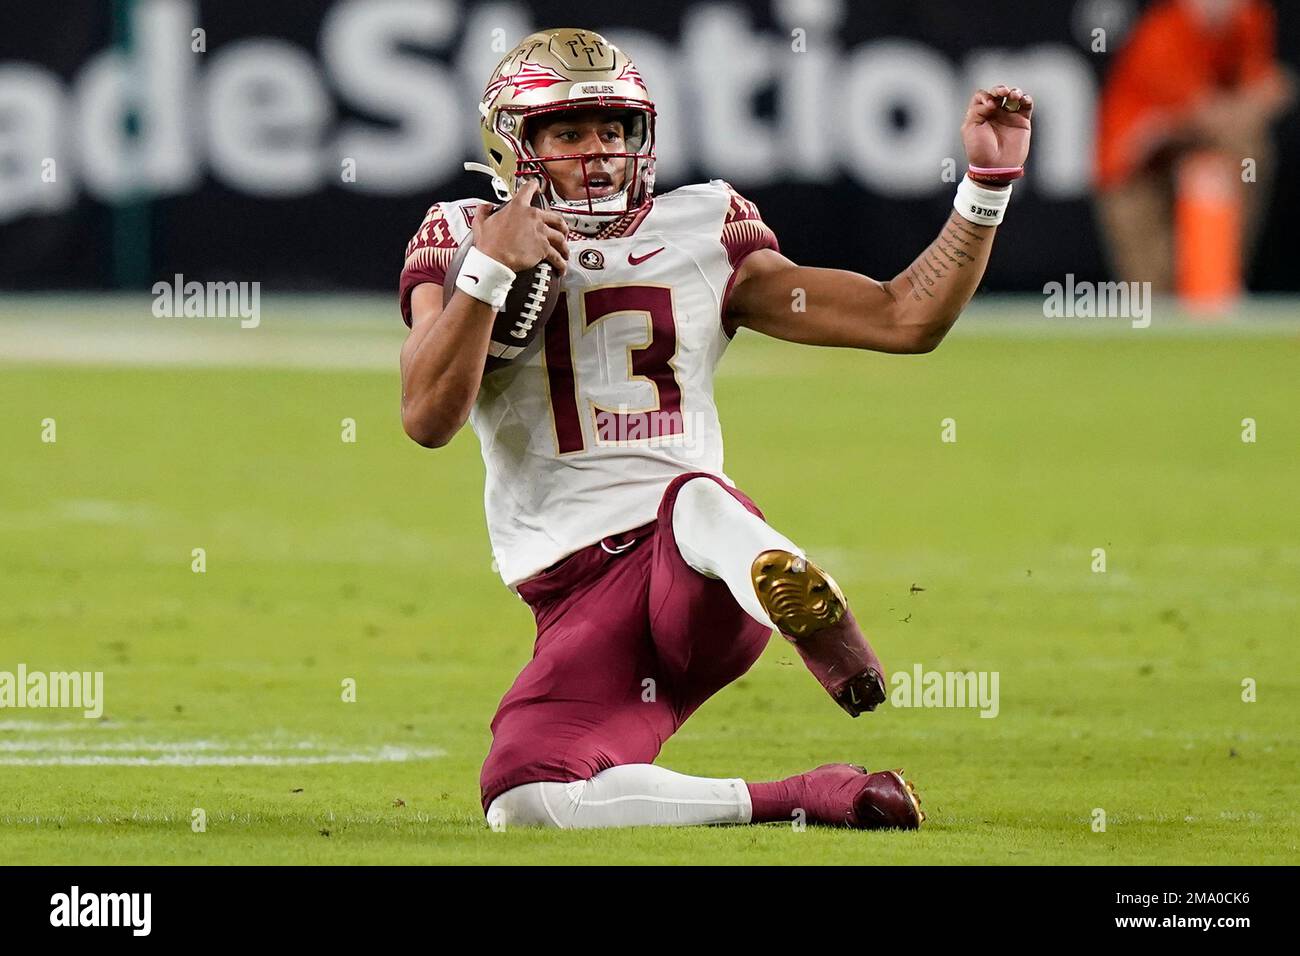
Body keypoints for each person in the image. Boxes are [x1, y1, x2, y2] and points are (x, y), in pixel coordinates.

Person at [398, 28, 1032, 830]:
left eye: (615, 130)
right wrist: (488, 272)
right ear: (510, 145)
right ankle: (811, 797)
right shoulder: (459, 236)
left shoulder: (703, 228)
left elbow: (903, 317)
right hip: (577, 597)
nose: (599, 152)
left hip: (698, 570)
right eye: (567, 132)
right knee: (525, 801)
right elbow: (427, 418)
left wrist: (986, 184)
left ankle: (820, 622)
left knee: (694, 500)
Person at [1095, 0, 1292, 292]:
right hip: (1133, 169)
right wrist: (1256, 100)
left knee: (1248, 144)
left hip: (1186, 146)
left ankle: (1220, 269)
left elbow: (1273, 86)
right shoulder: (1162, 34)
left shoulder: (1249, 17)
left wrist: (1259, 99)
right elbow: (1205, 113)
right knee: (1153, 295)